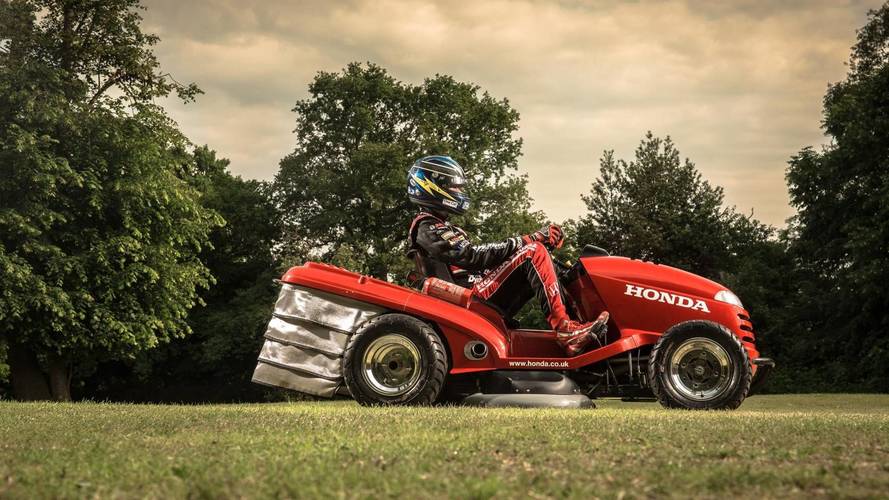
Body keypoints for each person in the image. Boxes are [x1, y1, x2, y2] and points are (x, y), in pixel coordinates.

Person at [406, 155, 609, 356]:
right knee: (533, 252)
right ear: (432, 186)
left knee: (546, 258)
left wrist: (542, 249)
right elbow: (472, 256)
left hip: (477, 293)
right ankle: (566, 331)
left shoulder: (441, 227)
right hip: (465, 299)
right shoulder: (426, 226)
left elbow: (479, 264)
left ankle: (583, 326)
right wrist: (529, 239)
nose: (459, 192)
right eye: (455, 188)